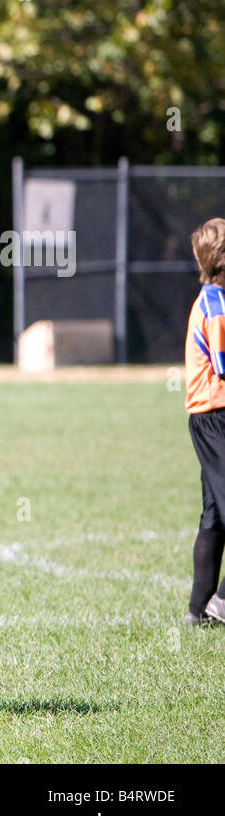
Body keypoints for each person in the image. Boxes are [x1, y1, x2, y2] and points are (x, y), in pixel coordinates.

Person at [184, 217, 225, 625]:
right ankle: (220, 603)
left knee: (214, 512)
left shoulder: (212, 298)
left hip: (207, 414)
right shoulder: (216, 305)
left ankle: (201, 610)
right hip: (216, 414)